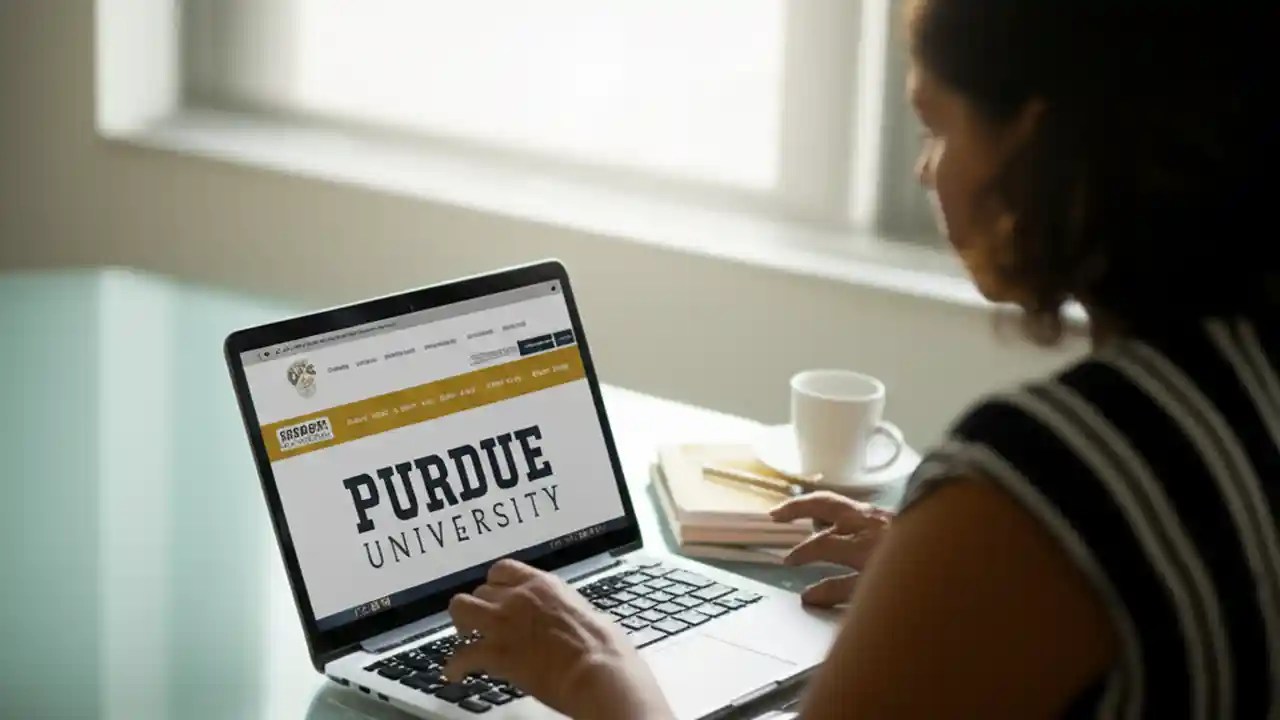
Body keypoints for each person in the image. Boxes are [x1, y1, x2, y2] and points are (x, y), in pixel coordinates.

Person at [442, 1, 1279, 717]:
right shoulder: (1249, 367)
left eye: (937, 125)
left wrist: (602, 677)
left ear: (1036, 143)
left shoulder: (1044, 478)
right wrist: (943, 582)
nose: (927, 168)